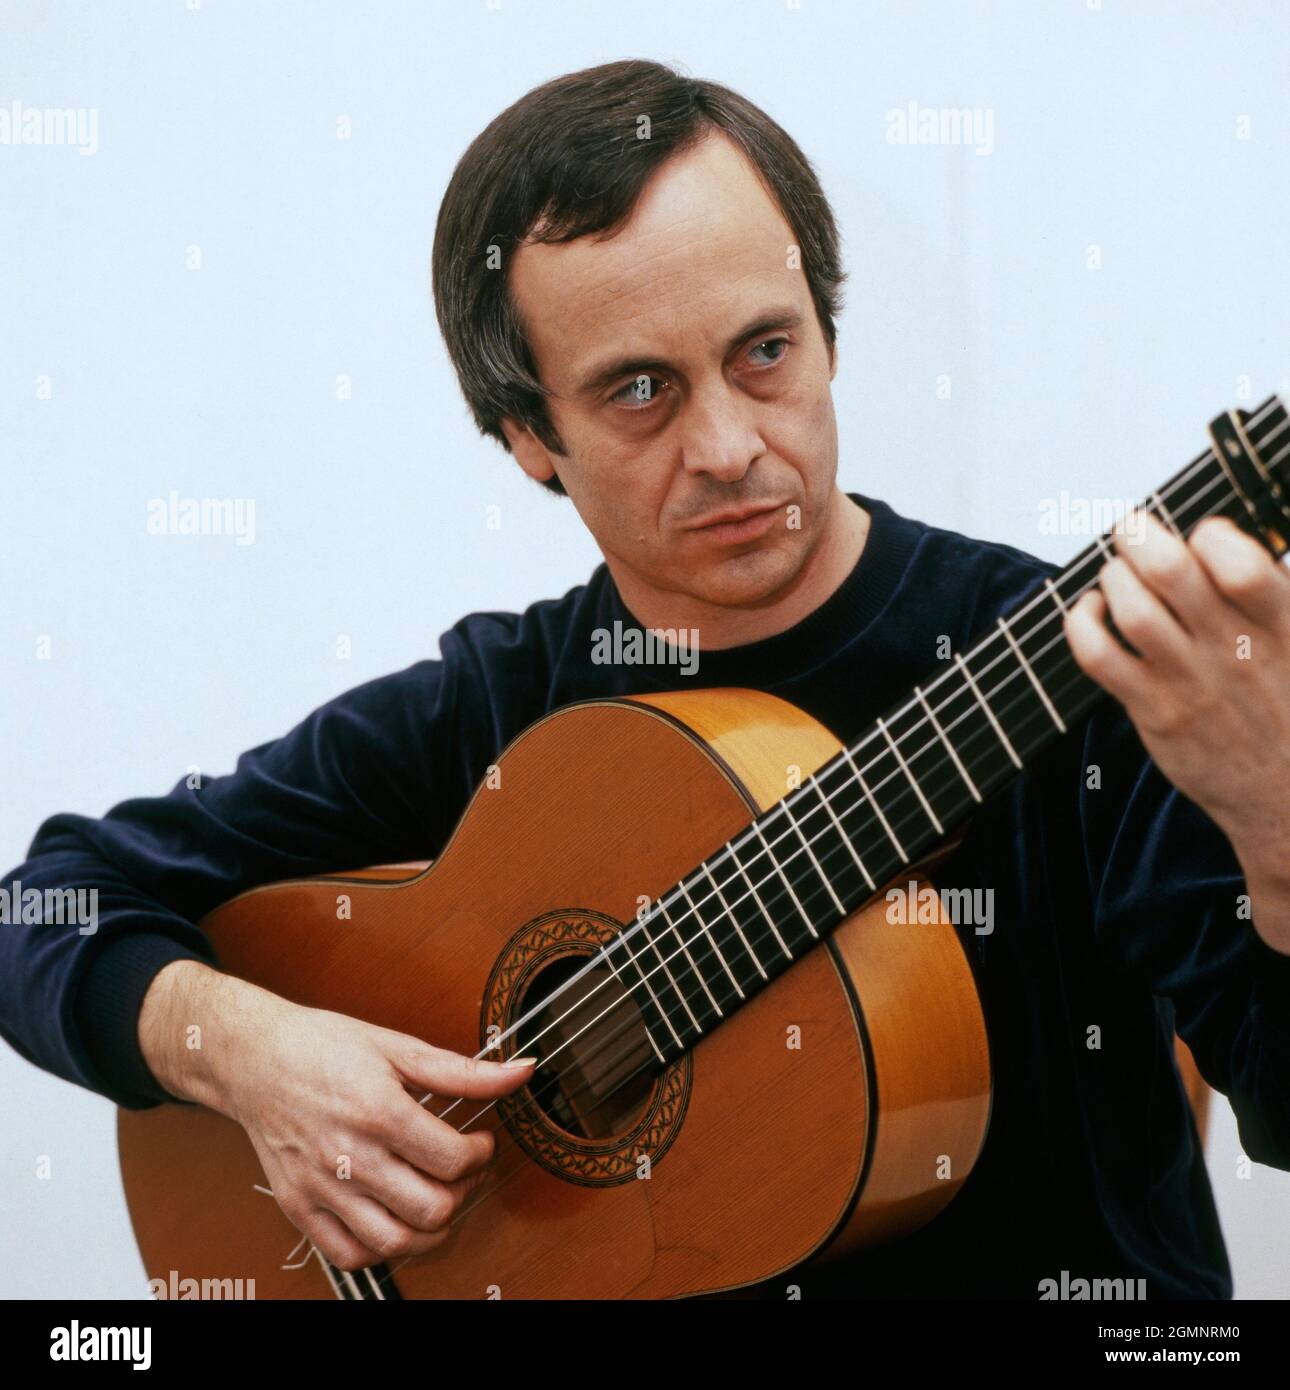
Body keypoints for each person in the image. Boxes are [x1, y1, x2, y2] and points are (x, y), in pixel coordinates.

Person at [3, 59, 1289, 1298]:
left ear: (828, 334)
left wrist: (1277, 819)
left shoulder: (1083, 665)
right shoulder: (497, 705)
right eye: (639, 391)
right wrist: (251, 1054)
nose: (731, 446)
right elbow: (40, 909)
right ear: (527, 439)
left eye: (766, 352)